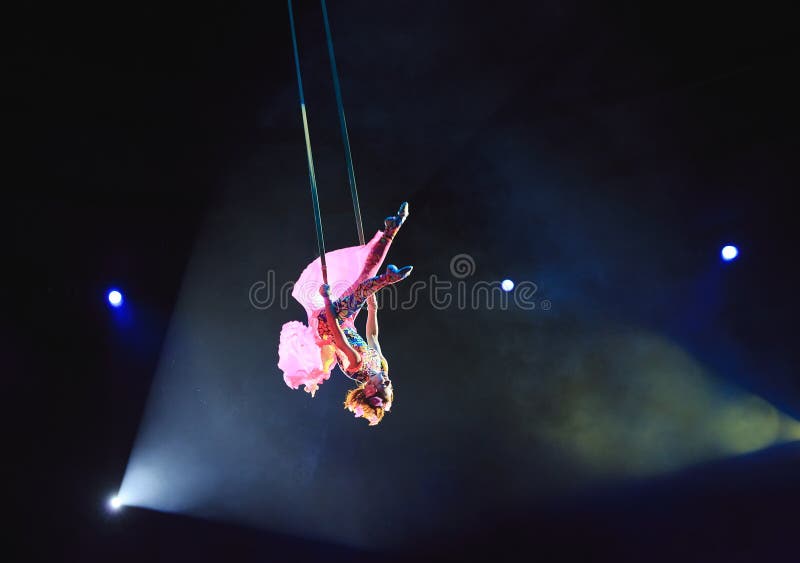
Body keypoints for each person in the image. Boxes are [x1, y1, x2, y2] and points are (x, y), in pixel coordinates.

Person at [278, 202, 412, 425]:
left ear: (370, 390)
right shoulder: (381, 366)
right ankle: (392, 229)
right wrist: (373, 309)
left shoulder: (356, 366)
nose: (388, 382)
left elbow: (338, 336)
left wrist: (327, 300)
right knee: (366, 276)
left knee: (363, 288)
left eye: (384, 387)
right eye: (390, 387)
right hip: (346, 321)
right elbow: (373, 337)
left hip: (329, 322)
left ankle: (389, 275)